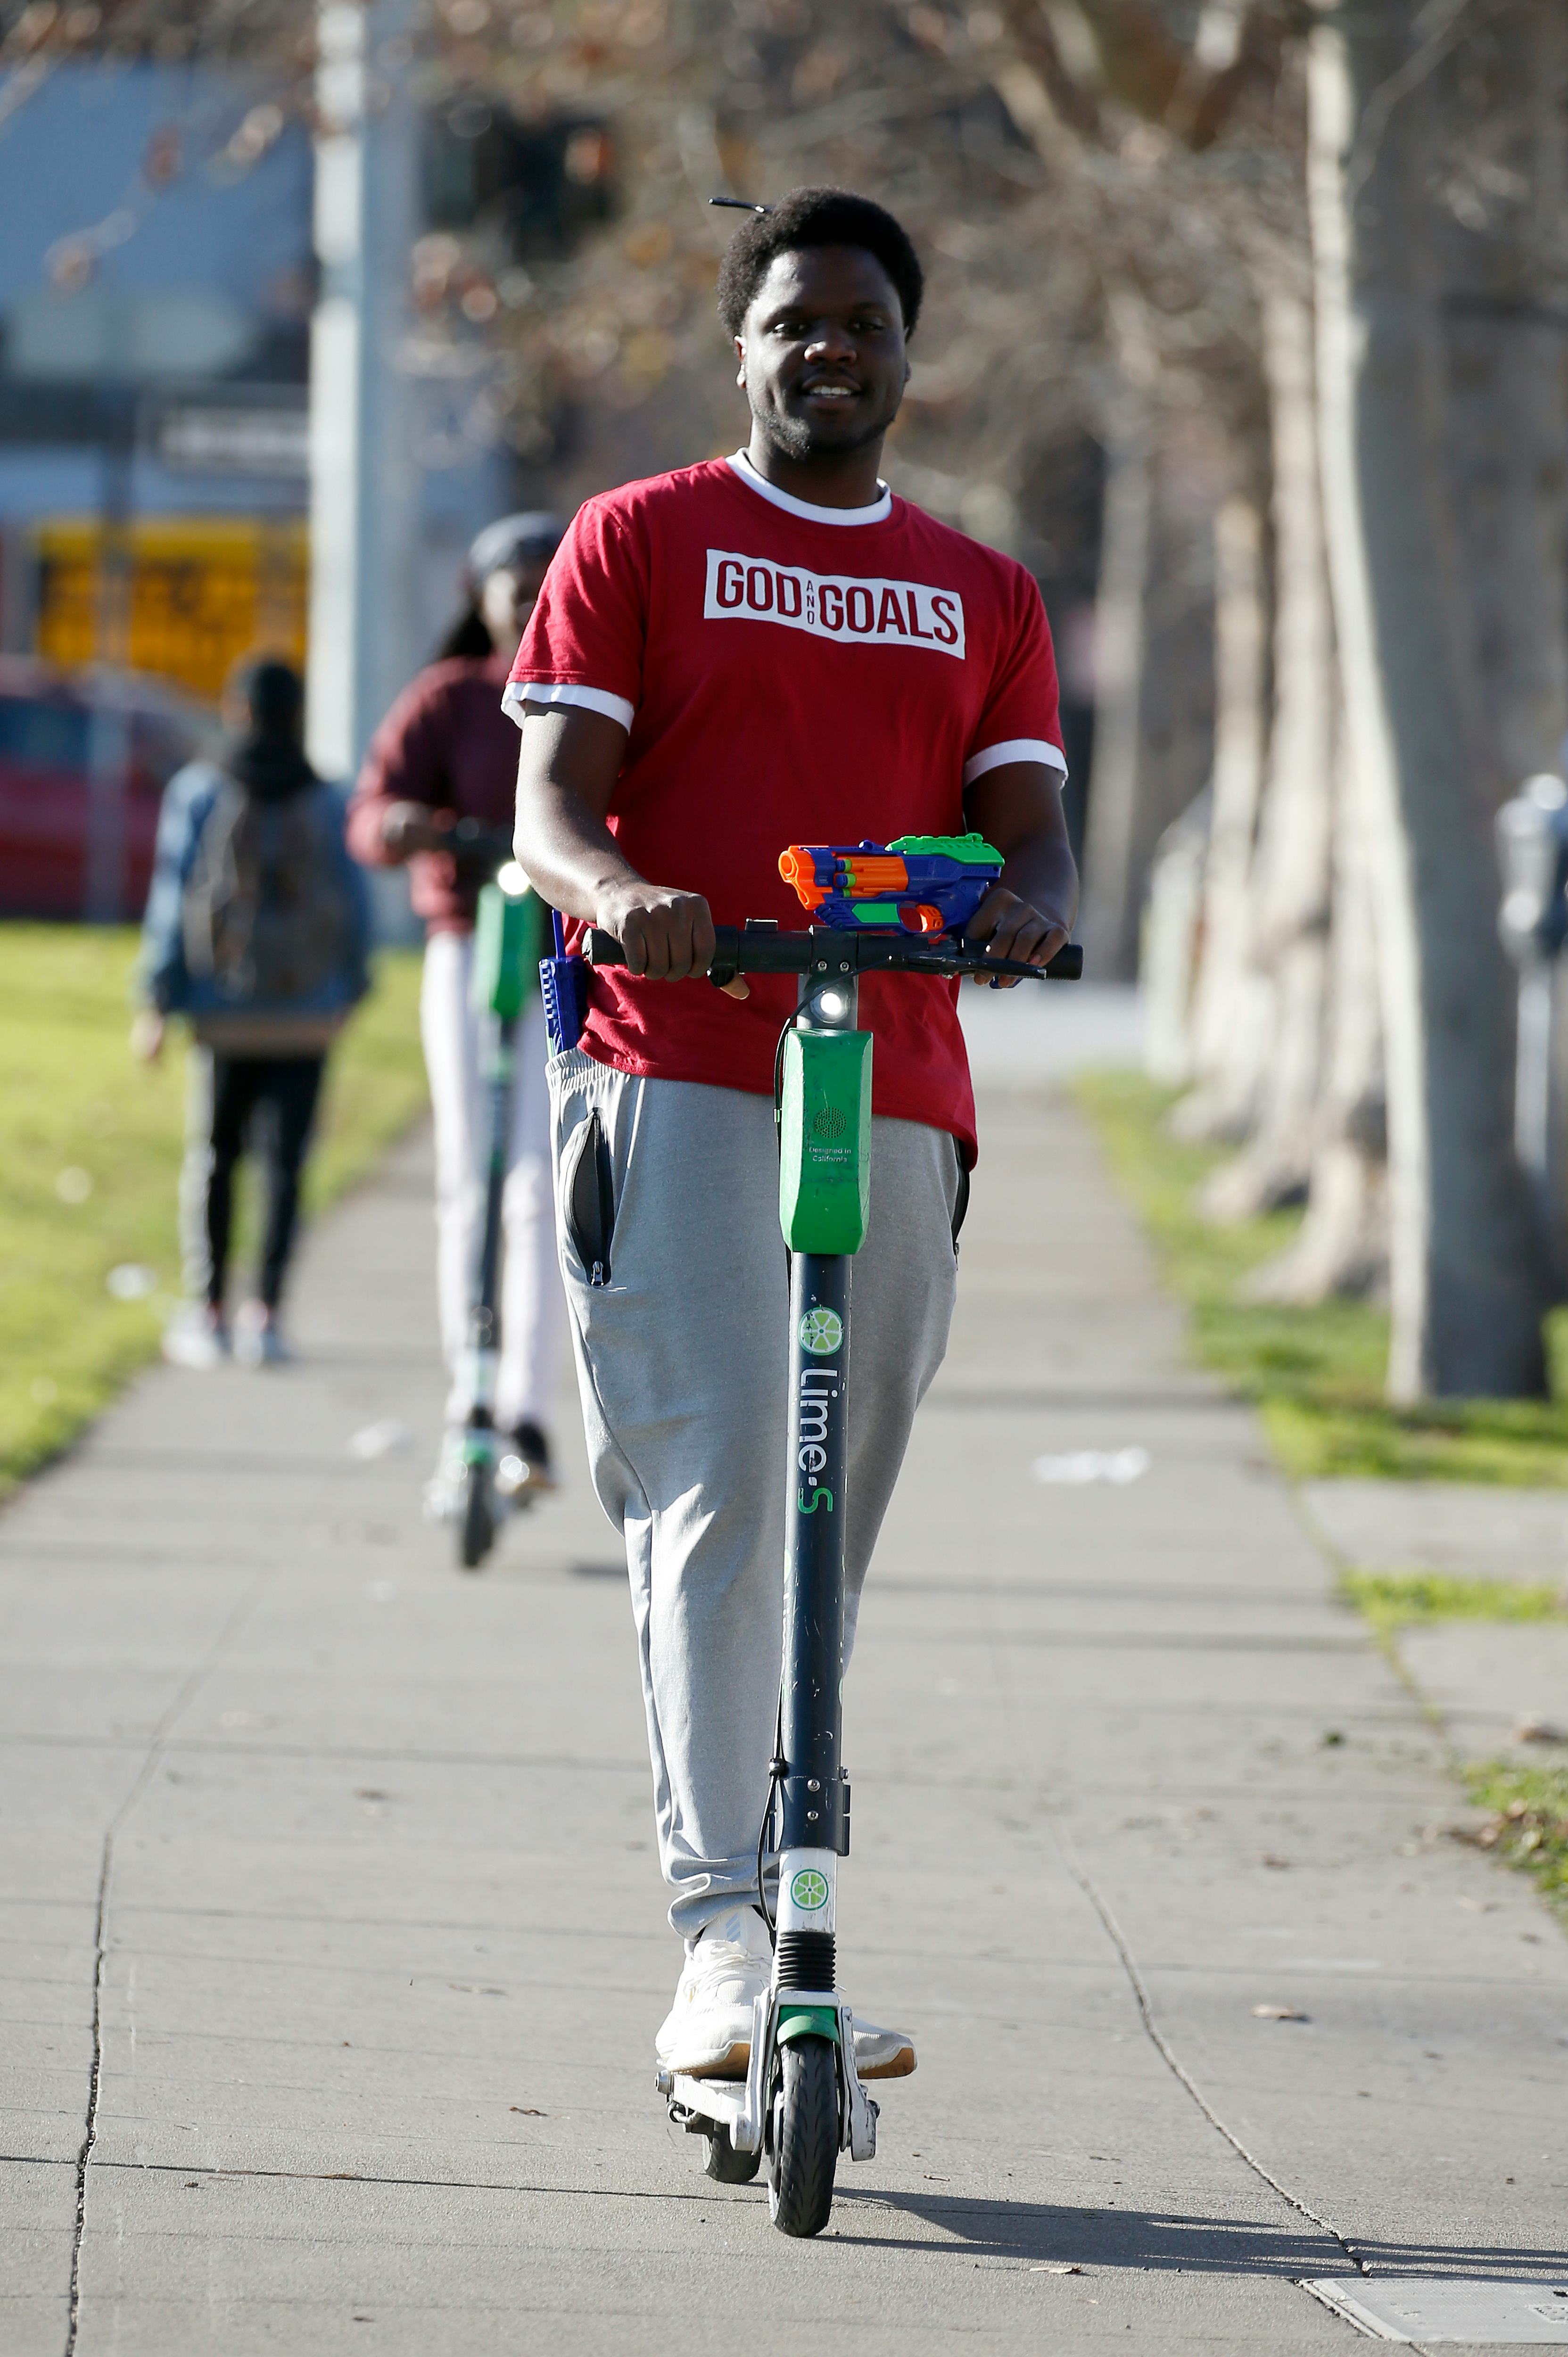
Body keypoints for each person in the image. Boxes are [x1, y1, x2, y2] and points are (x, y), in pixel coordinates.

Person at [508, 189, 1078, 2081]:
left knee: (825, 1524)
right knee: (728, 1485)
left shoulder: (981, 593)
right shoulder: (641, 540)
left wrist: (1019, 905)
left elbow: (1032, 826)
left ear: (912, 356)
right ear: (741, 347)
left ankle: (797, 1912)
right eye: (792, 321)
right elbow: (551, 812)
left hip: (895, 1085)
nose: (827, 348)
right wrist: (618, 897)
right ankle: (715, 1947)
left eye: (862, 323)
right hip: (678, 1057)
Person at [348, 514, 567, 1499]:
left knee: (540, 1191)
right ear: (477, 596)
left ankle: (527, 1408)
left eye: (544, 576)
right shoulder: (449, 700)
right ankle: (467, 1400)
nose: (526, 595)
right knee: (468, 1183)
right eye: (509, 581)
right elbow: (372, 809)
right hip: (469, 944)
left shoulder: (592, 694)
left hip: (570, 958)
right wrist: (403, 825)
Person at [134, 657, 369, 1368]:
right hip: (305, 1015)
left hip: (222, 1011)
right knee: (286, 1166)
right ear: (297, 715)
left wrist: (157, 999)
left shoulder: (202, 790)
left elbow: (174, 901)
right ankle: (266, 1314)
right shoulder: (327, 798)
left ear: (237, 710)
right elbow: (353, 906)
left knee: (215, 1158)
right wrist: (347, 994)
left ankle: (207, 1312)